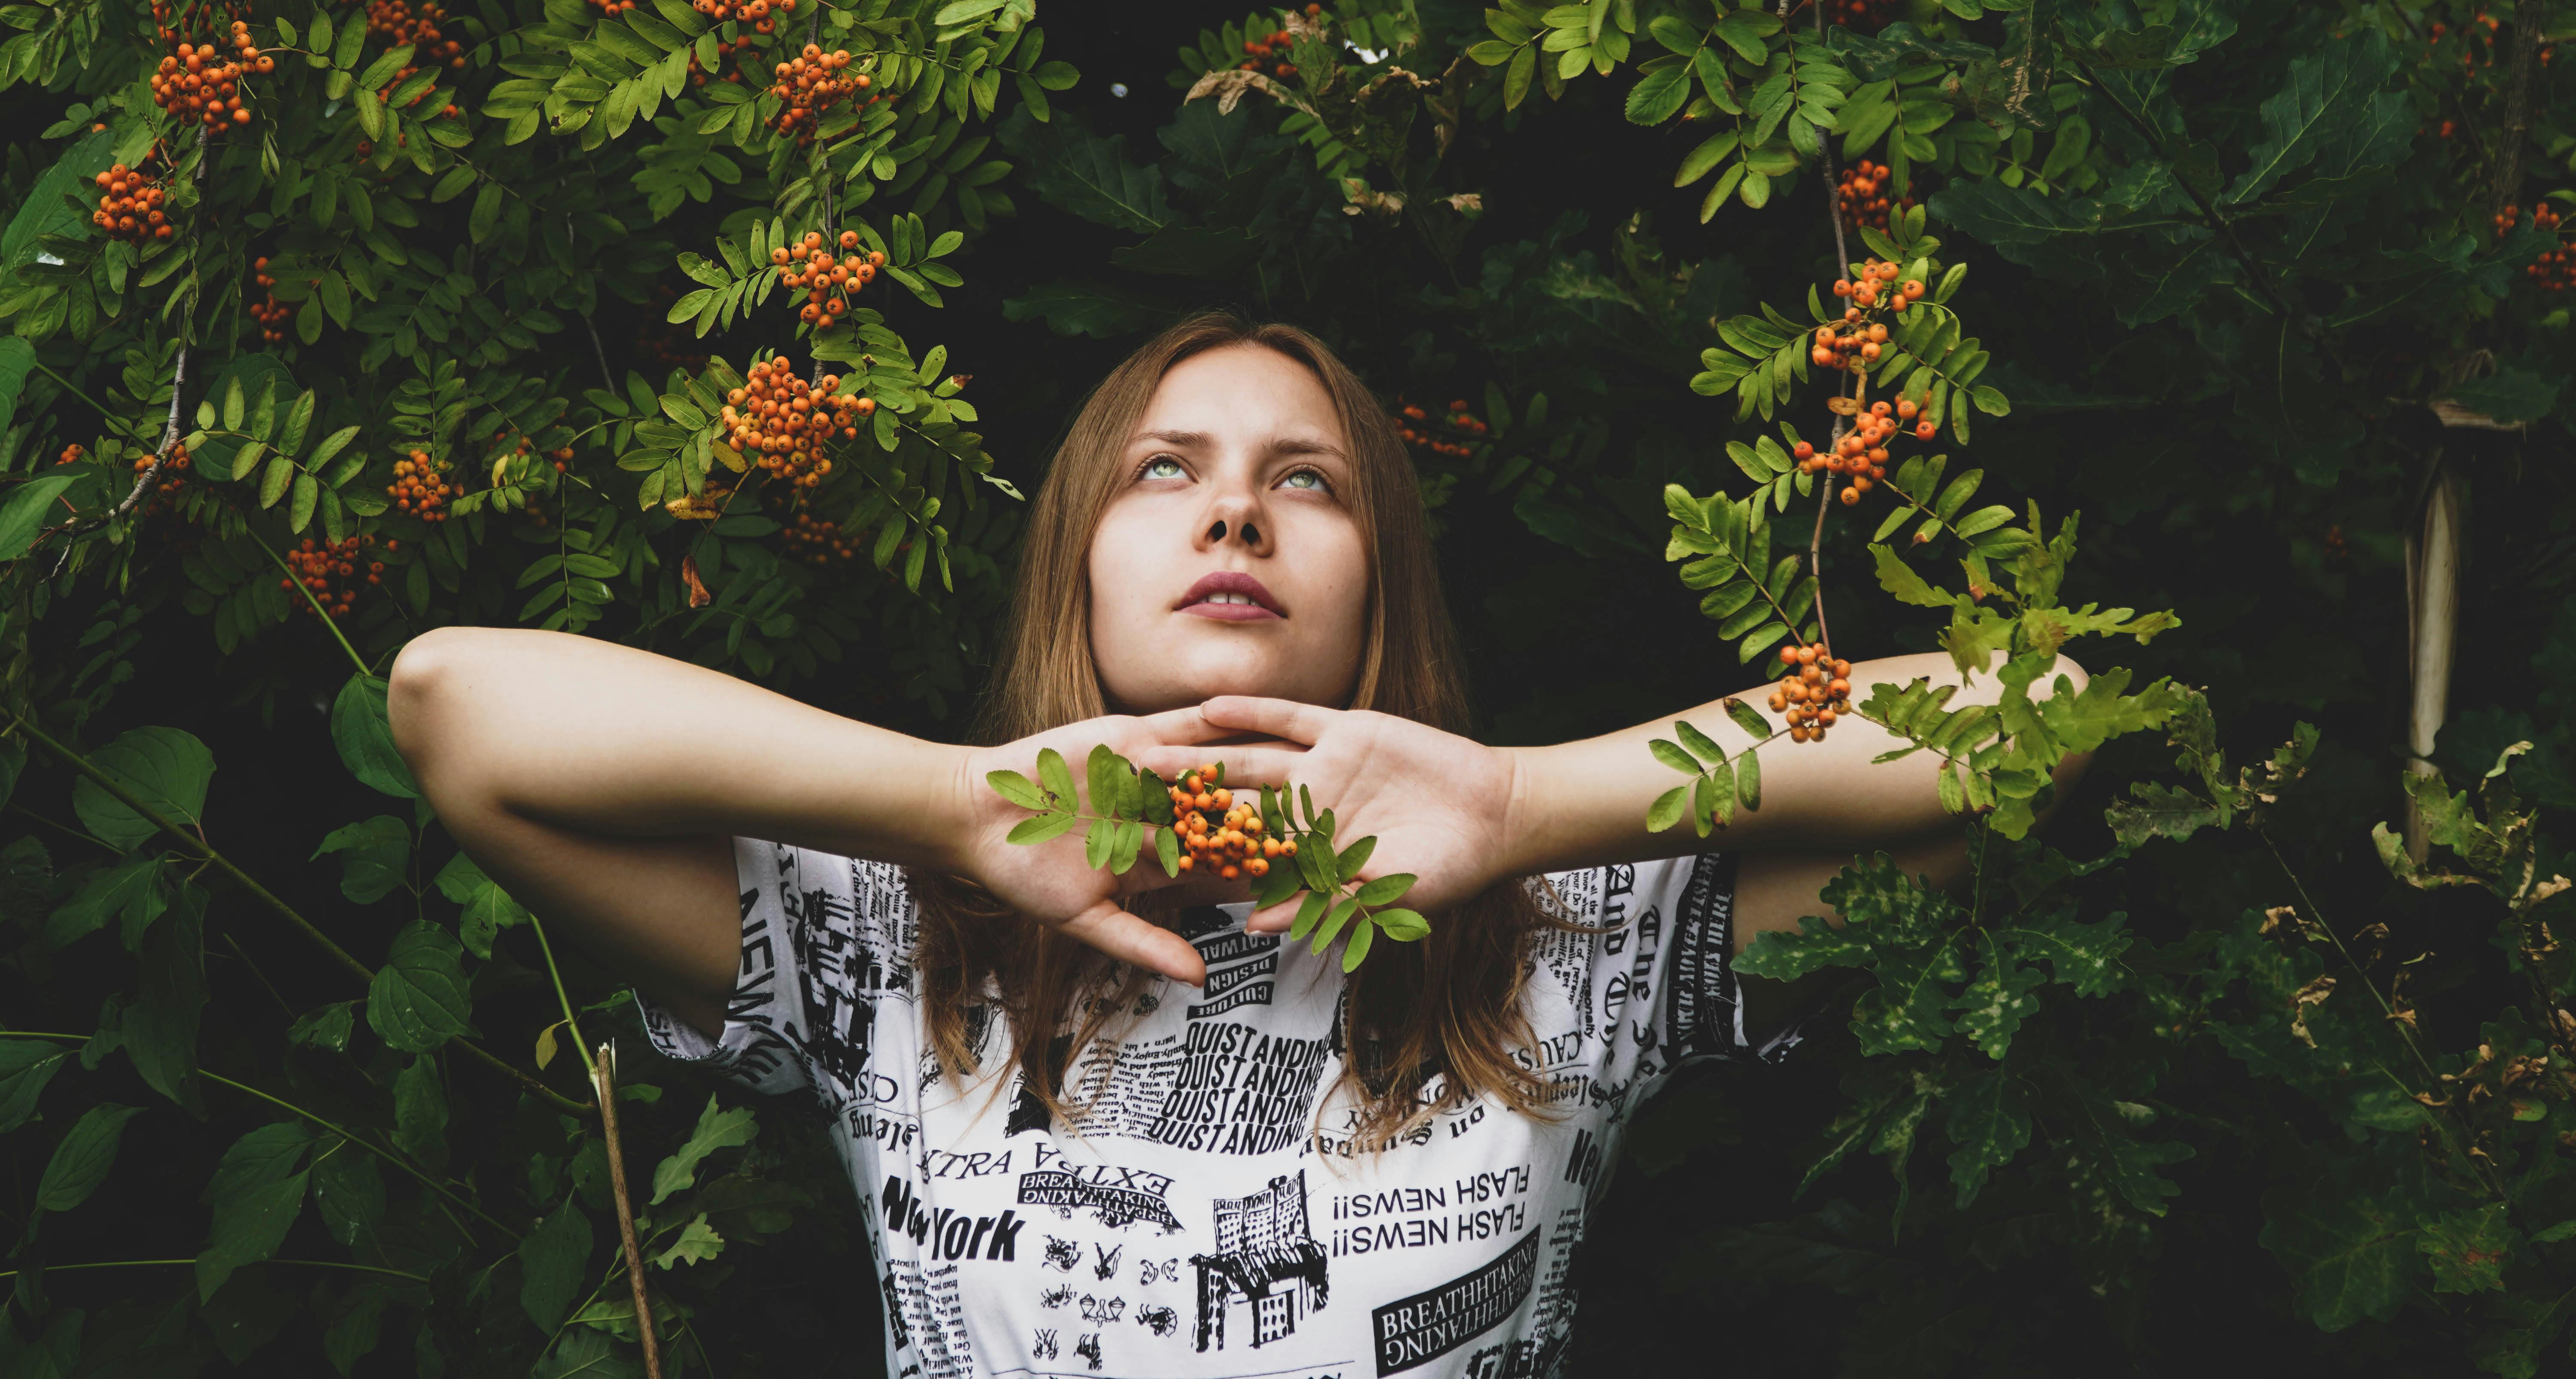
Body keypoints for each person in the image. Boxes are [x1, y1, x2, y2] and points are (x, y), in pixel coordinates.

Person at [390, 313, 2080, 1379]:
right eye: (1164, 470)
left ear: (1378, 590)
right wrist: (958, 806)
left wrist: (1520, 805)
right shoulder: (907, 951)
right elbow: (456, 706)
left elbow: (2049, 716)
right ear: (1078, 567)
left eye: (1310, 482)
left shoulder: (1564, 944)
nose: (1235, 512)